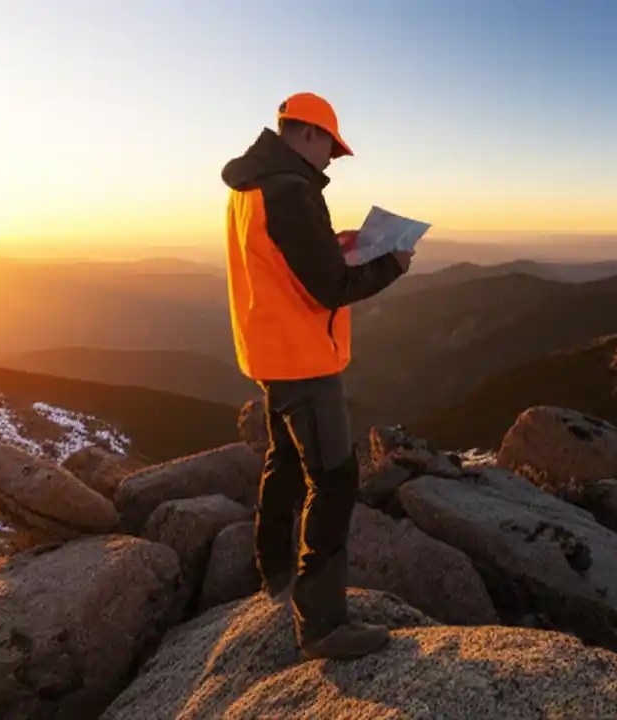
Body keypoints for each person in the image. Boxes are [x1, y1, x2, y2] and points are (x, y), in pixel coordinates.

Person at [221, 92, 412, 660]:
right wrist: (390, 264)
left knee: (283, 462)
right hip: (304, 360)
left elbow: (282, 261)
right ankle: (323, 625)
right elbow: (330, 288)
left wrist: (335, 245)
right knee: (333, 479)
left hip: (270, 353)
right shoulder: (290, 189)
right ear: (308, 134)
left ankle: (275, 572)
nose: (332, 158)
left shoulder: (253, 185)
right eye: (331, 146)